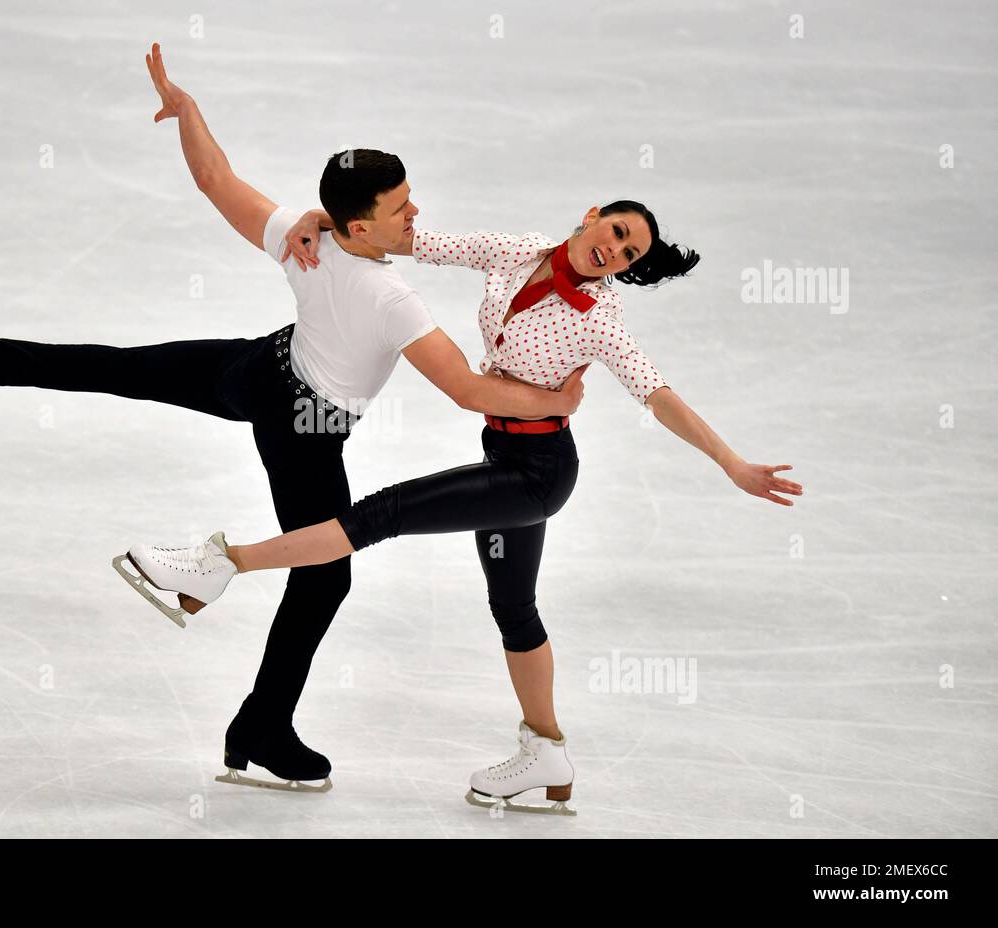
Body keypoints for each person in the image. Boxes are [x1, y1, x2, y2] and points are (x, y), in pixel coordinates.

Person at [0, 43, 584, 792]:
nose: (416, 212)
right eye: (400, 208)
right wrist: (556, 401)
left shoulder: (313, 239)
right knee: (325, 578)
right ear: (363, 227)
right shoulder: (392, 298)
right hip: (307, 425)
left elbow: (214, 180)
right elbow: (466, 390)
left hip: (258, 370)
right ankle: (260, 726)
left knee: (117, 367)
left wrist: (190, 114)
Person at [121, 201, 804, 812]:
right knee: (513, 609)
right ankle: (548, 753)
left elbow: (659, 396)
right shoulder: (519, 252)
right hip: (504, 458)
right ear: (593, 215)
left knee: (379, 515)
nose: (615, 252)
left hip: (536, 474)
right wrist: (333, 220)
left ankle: (217, 567)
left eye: (628, 255)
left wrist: (732, 463)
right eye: (617, 233)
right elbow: (420, 241)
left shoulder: (602, 321)